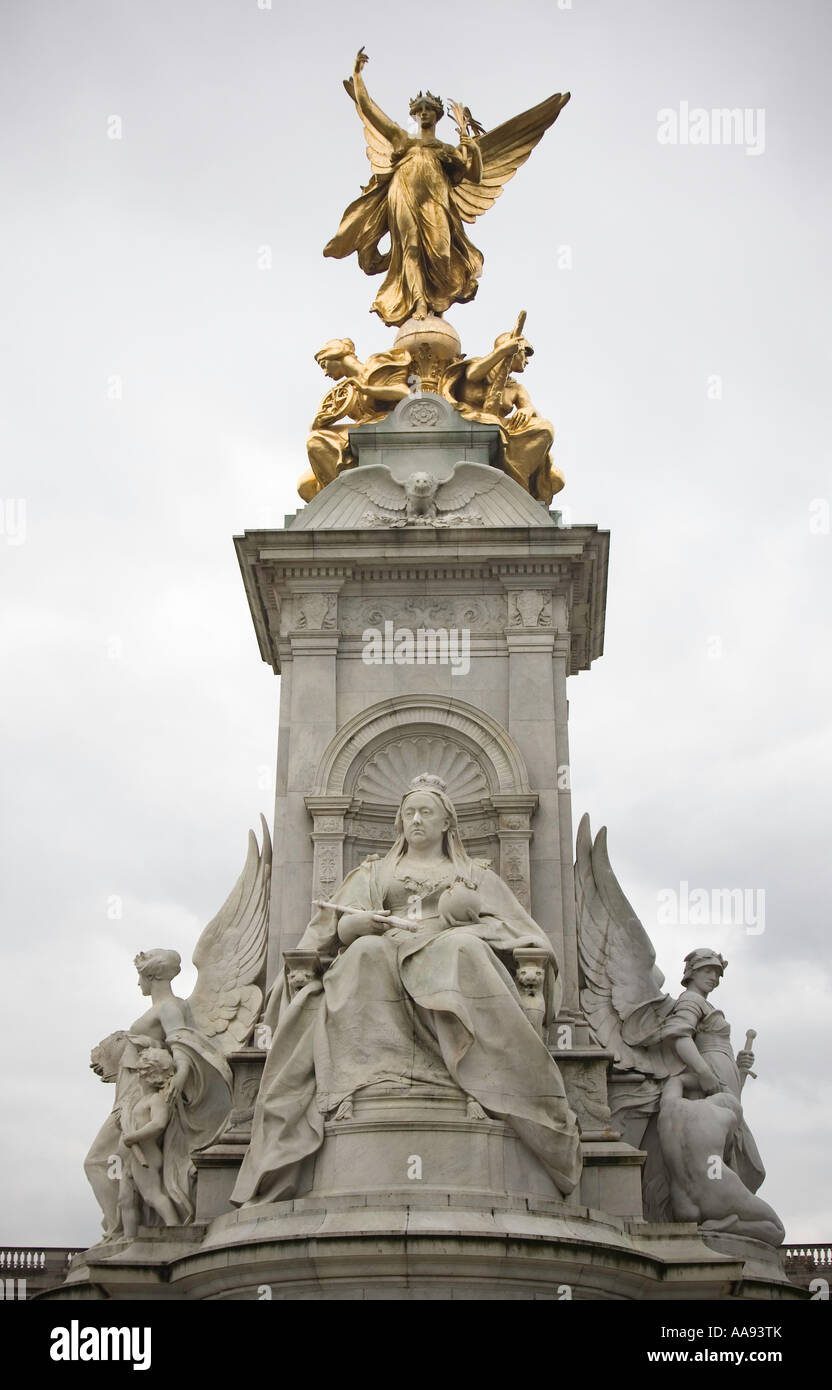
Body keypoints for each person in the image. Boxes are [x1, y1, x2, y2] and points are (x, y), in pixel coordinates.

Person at [232, 774, 581, 1205]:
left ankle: (478, 1081)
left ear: (446, 824)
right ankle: (361, 1084)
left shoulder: (473, 875)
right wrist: (352, 925)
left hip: (447, 948)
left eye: (426, 812)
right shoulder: (374, 871)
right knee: (364, 956)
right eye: (409, 812)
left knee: (463, 951)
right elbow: (328, 929)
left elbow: (523, 933)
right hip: (386, 948)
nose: (416, 819)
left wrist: (473, 925)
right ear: (399, 822)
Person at [324, 50, 484, 326]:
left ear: (436, 116)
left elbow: (475, 175)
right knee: (409, 248)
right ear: (414, 114)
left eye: (428, 111)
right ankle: (420, 302)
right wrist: (359, 77)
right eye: (419, 110)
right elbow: (372, 112)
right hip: (404, 196)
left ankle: (437, 303)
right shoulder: (402, 140)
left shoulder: (446, 150)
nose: (423, 114)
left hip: (436, 201)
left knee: (441, 252)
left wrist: (474, 150)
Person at [442, 331, 564, 503]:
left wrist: (526, 410)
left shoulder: (515, 387)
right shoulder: (480, 368)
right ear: (512, 351)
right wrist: (502, 352)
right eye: (524, 354)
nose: (527, 360)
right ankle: (514, 485)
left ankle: (517, 481)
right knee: (493, 425)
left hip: (502, 426)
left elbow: (529, 407)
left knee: (544, 428)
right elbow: (472, 375)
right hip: (469, 420)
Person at [299, 337, 411, 501]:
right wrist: (321, 422)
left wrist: (366, 389)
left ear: (336, 357)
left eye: (324, 365)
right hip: (364, 429)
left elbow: (405, 394)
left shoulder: (376, 367)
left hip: (385, 427)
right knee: (305, 486)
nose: (325, 373)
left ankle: (344, 501)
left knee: (315, 440)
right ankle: (342, 501)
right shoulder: (347, 389)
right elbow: (333, 413)